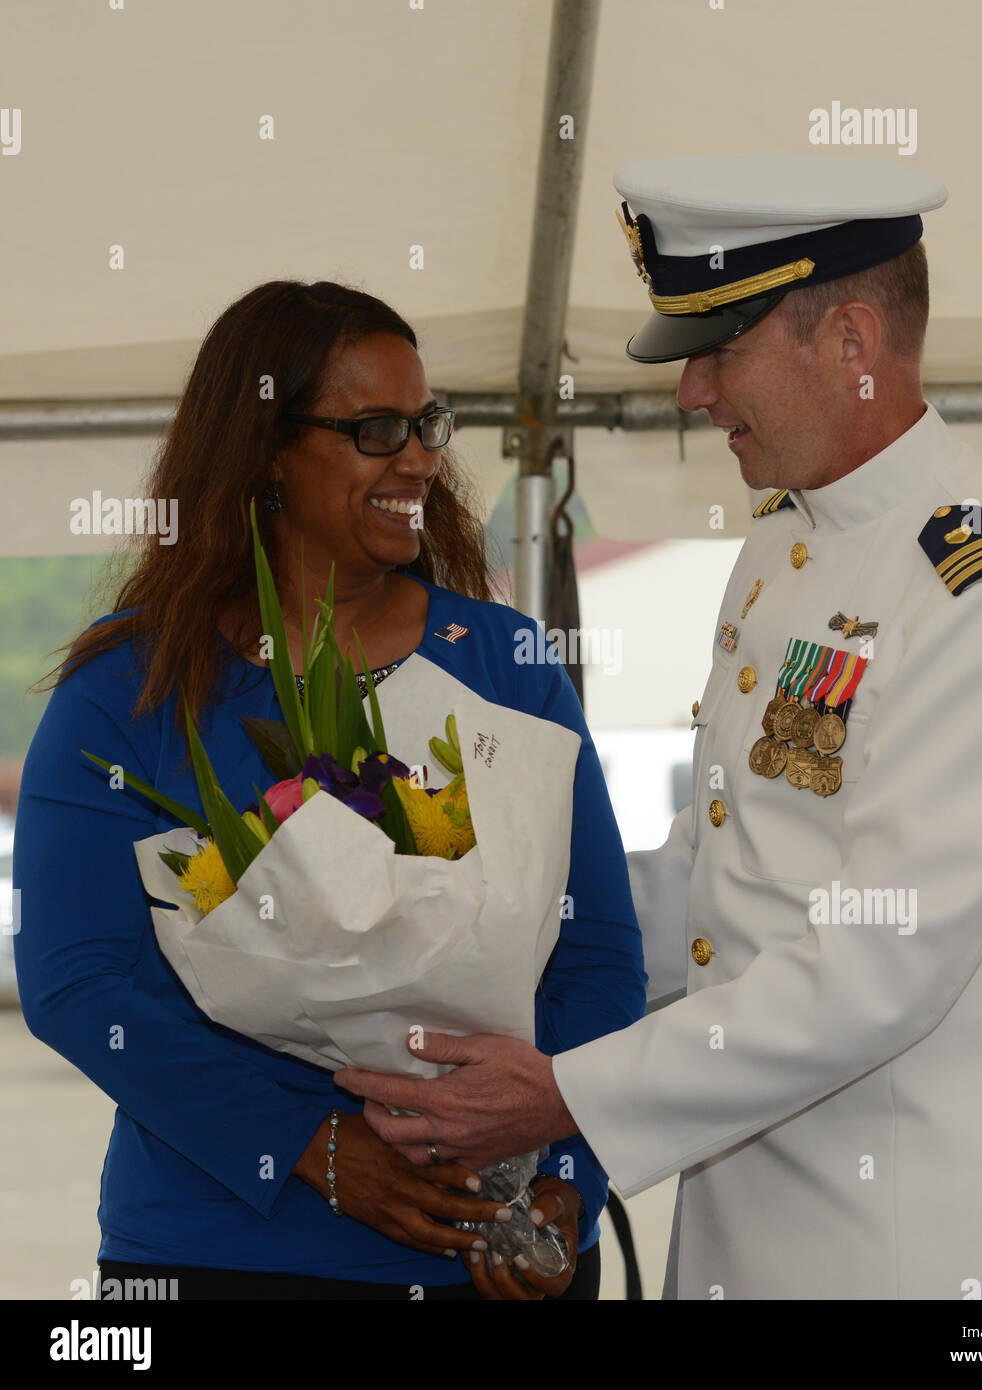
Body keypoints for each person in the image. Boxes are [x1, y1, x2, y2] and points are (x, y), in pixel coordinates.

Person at [336, 155, 982, 1300]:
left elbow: (876, 967)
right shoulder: (778, 549)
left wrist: (567, 1090)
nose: (690, 393)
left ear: (851, 343)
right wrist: (439, 945)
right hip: (751, 1234)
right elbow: (717, 881)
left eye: (719, 350)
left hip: (933, 1255)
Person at [14, 280, 645, 1301]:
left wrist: (563, 1177)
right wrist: (302, 1144)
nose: (420, 457)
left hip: (499, 1247)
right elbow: (77, 985)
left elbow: (599, 955)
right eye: (375, 429)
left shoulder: (506, 663)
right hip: (223, 1251)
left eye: (425, 423)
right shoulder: (127, 690)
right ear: (265, 448)